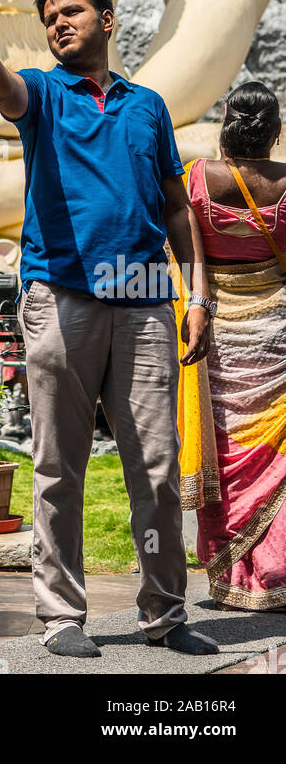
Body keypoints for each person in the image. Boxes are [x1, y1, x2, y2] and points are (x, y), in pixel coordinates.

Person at [0, 0, 219, 659]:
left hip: (147, 294)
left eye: (72, 12)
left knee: (156, 464)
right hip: (62, 294)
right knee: (59, 464)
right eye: (50, 17)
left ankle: (164, 610)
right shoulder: (42, 95)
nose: (59, 24)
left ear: (109, 21)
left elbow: (177, 205)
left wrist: (199, 292)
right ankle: (61, 612)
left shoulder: (147, 106)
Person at [177, 82, 286, 611]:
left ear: (226, 123)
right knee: (276, 455)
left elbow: (191, 258)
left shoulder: (198, 177)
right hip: (276, 334)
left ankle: (232, 581)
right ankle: (277, 576)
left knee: (224, 452)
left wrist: (199, 305)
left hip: (216, 332)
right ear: (275, 131)